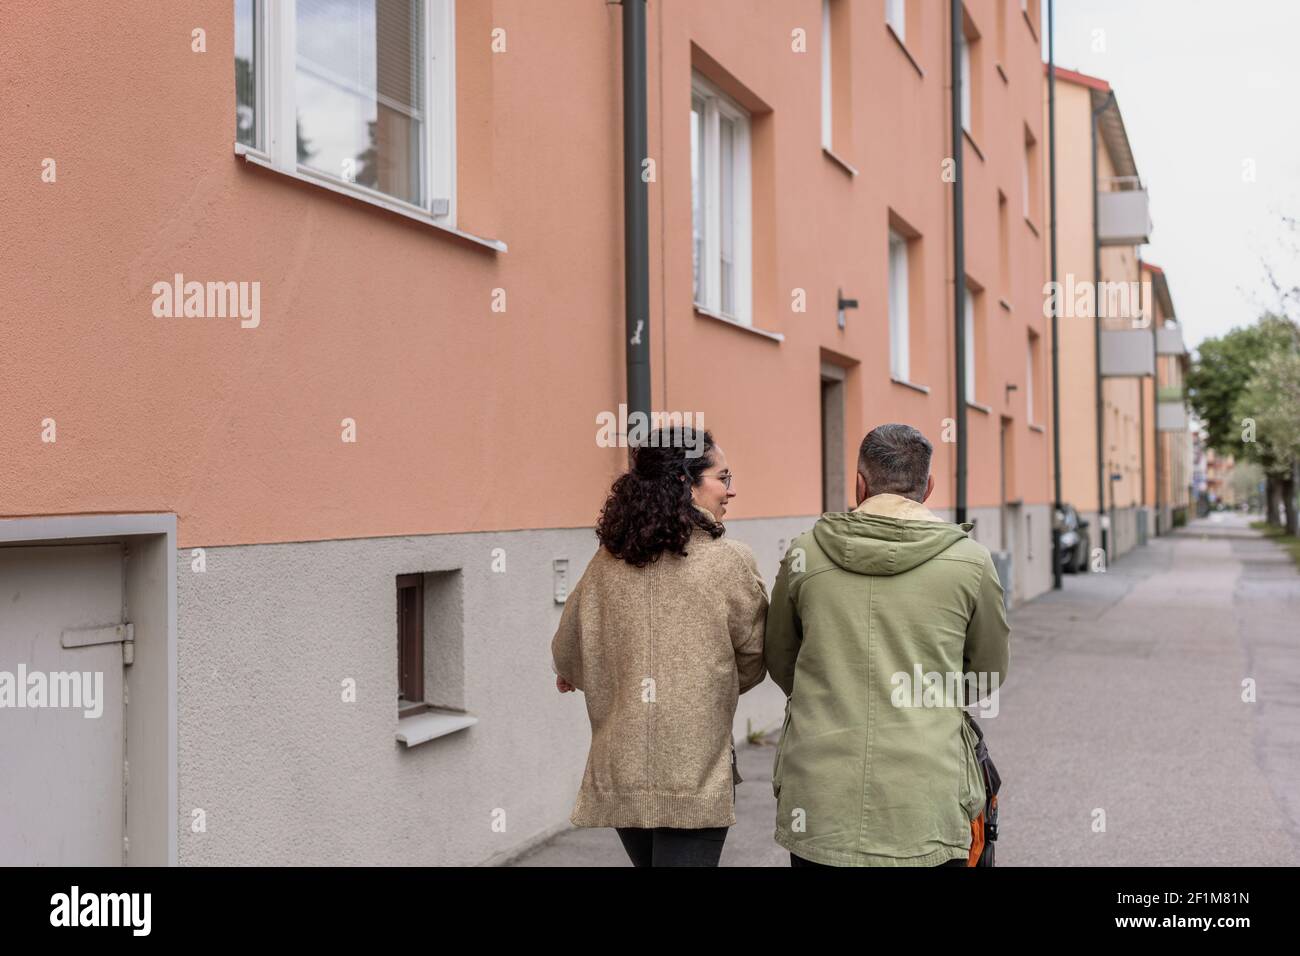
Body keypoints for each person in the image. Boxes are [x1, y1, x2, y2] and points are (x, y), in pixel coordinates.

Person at [764, 423, 1010, 867]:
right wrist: (937, 697)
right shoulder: (971, 562)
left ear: (860, 484)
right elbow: (988, 668)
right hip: (927, 795)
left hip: (822, 797)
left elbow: (782, 658)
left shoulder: (804, 554)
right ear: (928, 486)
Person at [551, 427, 768, 867]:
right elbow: (754, 657)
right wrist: (706, 684)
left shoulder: (607, 560)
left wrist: (589, 675)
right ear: (687, 484)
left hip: (623, 768)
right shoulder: (730, 561)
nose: (731, 490)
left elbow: (570, 651)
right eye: (722, 477)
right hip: (694, 769)